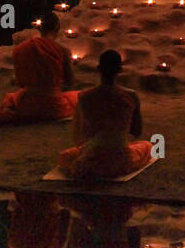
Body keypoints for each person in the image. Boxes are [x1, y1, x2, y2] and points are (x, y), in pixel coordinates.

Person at [58, 49, 153, 180]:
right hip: (120, 160)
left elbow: (80, 135)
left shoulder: (84, 96)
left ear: (98, 68)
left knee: (66, 156)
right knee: (147, 146)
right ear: (120, 70)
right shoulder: (131, 96)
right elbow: (137, 132)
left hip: (89, 160)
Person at [0, 12, 79, 125]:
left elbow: (21, 83)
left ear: (39, 27)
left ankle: (10, 113)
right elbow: (70, 82)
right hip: (54, 105)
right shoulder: (63, 50)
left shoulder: (20, 49)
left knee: (11, 98)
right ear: (57, 27)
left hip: (26, 105)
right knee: (79, 96)